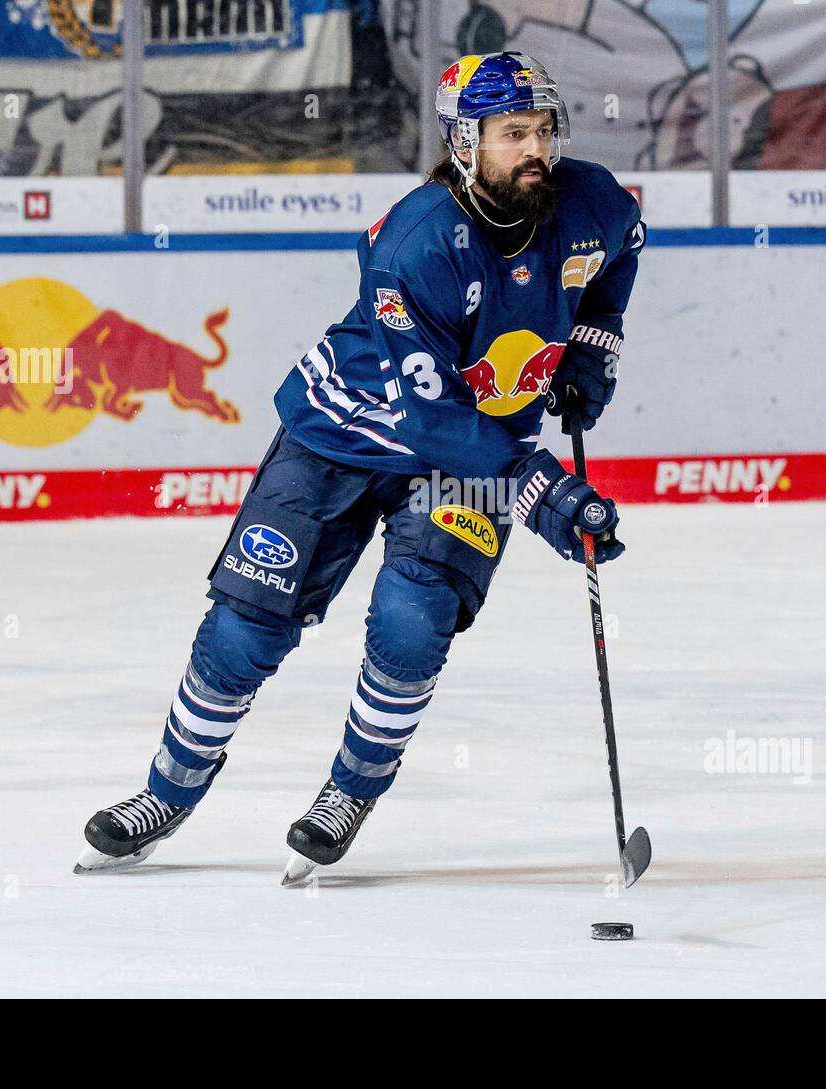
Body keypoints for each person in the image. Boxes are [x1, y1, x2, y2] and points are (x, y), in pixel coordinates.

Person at [73, 51, 646, 882]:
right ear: (462, 143)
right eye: (511, 133)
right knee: (245, 625)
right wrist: (540, 491)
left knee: (414, 623)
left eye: (543, 129)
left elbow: (620, 251)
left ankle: (348, 793)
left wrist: (594, 344)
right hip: (344, 434)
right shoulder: (417, 244)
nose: (535, 148)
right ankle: (168, 789)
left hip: (470, 449)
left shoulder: (588, 201)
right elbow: (432, 418)